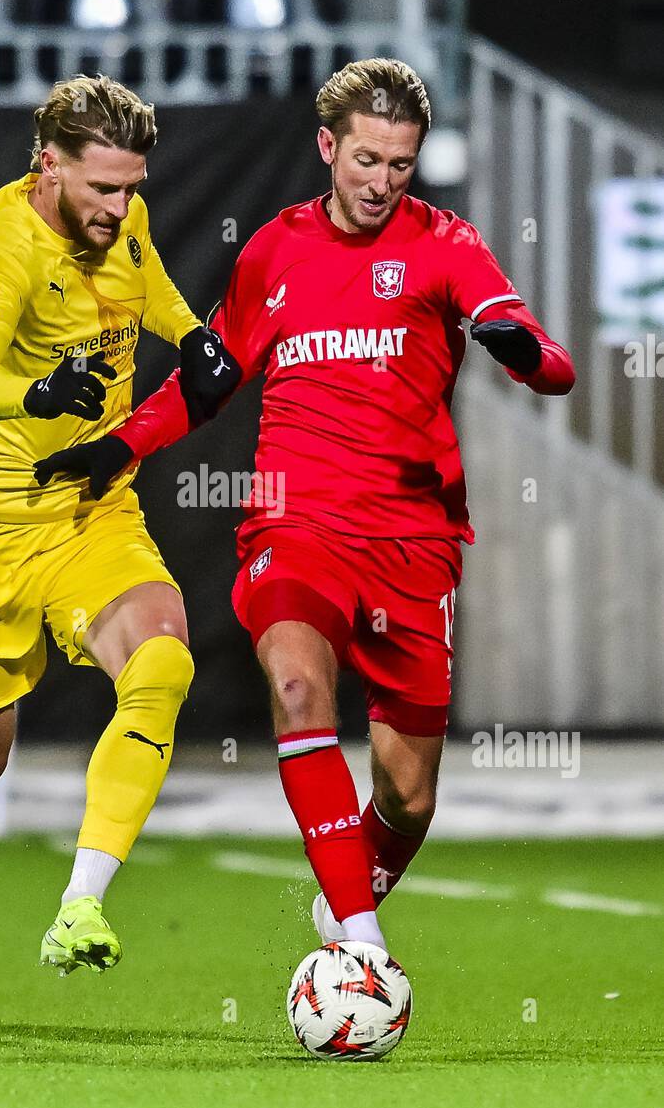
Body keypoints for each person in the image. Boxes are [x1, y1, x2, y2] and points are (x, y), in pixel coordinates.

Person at [35, 57, 575, 963]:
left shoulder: (447, 246)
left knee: (409, 798)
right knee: (295, 689)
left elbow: (552, 366)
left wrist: (517, 346)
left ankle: (346, 904)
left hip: (415, 541)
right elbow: (205, 385)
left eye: (400, 165)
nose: (381, 182)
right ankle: (362, 949)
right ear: (328, 147)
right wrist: (119, 444)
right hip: (296, 525)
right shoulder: (275, 251)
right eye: (366, 160)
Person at [0, 74, 239, 974]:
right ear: (49, 165)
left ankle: (80, 905)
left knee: (162, 661)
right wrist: (33, 392)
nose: (121, 206)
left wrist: (190, 333)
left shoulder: (122, 219)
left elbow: (141, 281)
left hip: (88, 509)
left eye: (133, 187)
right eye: (103, 188)